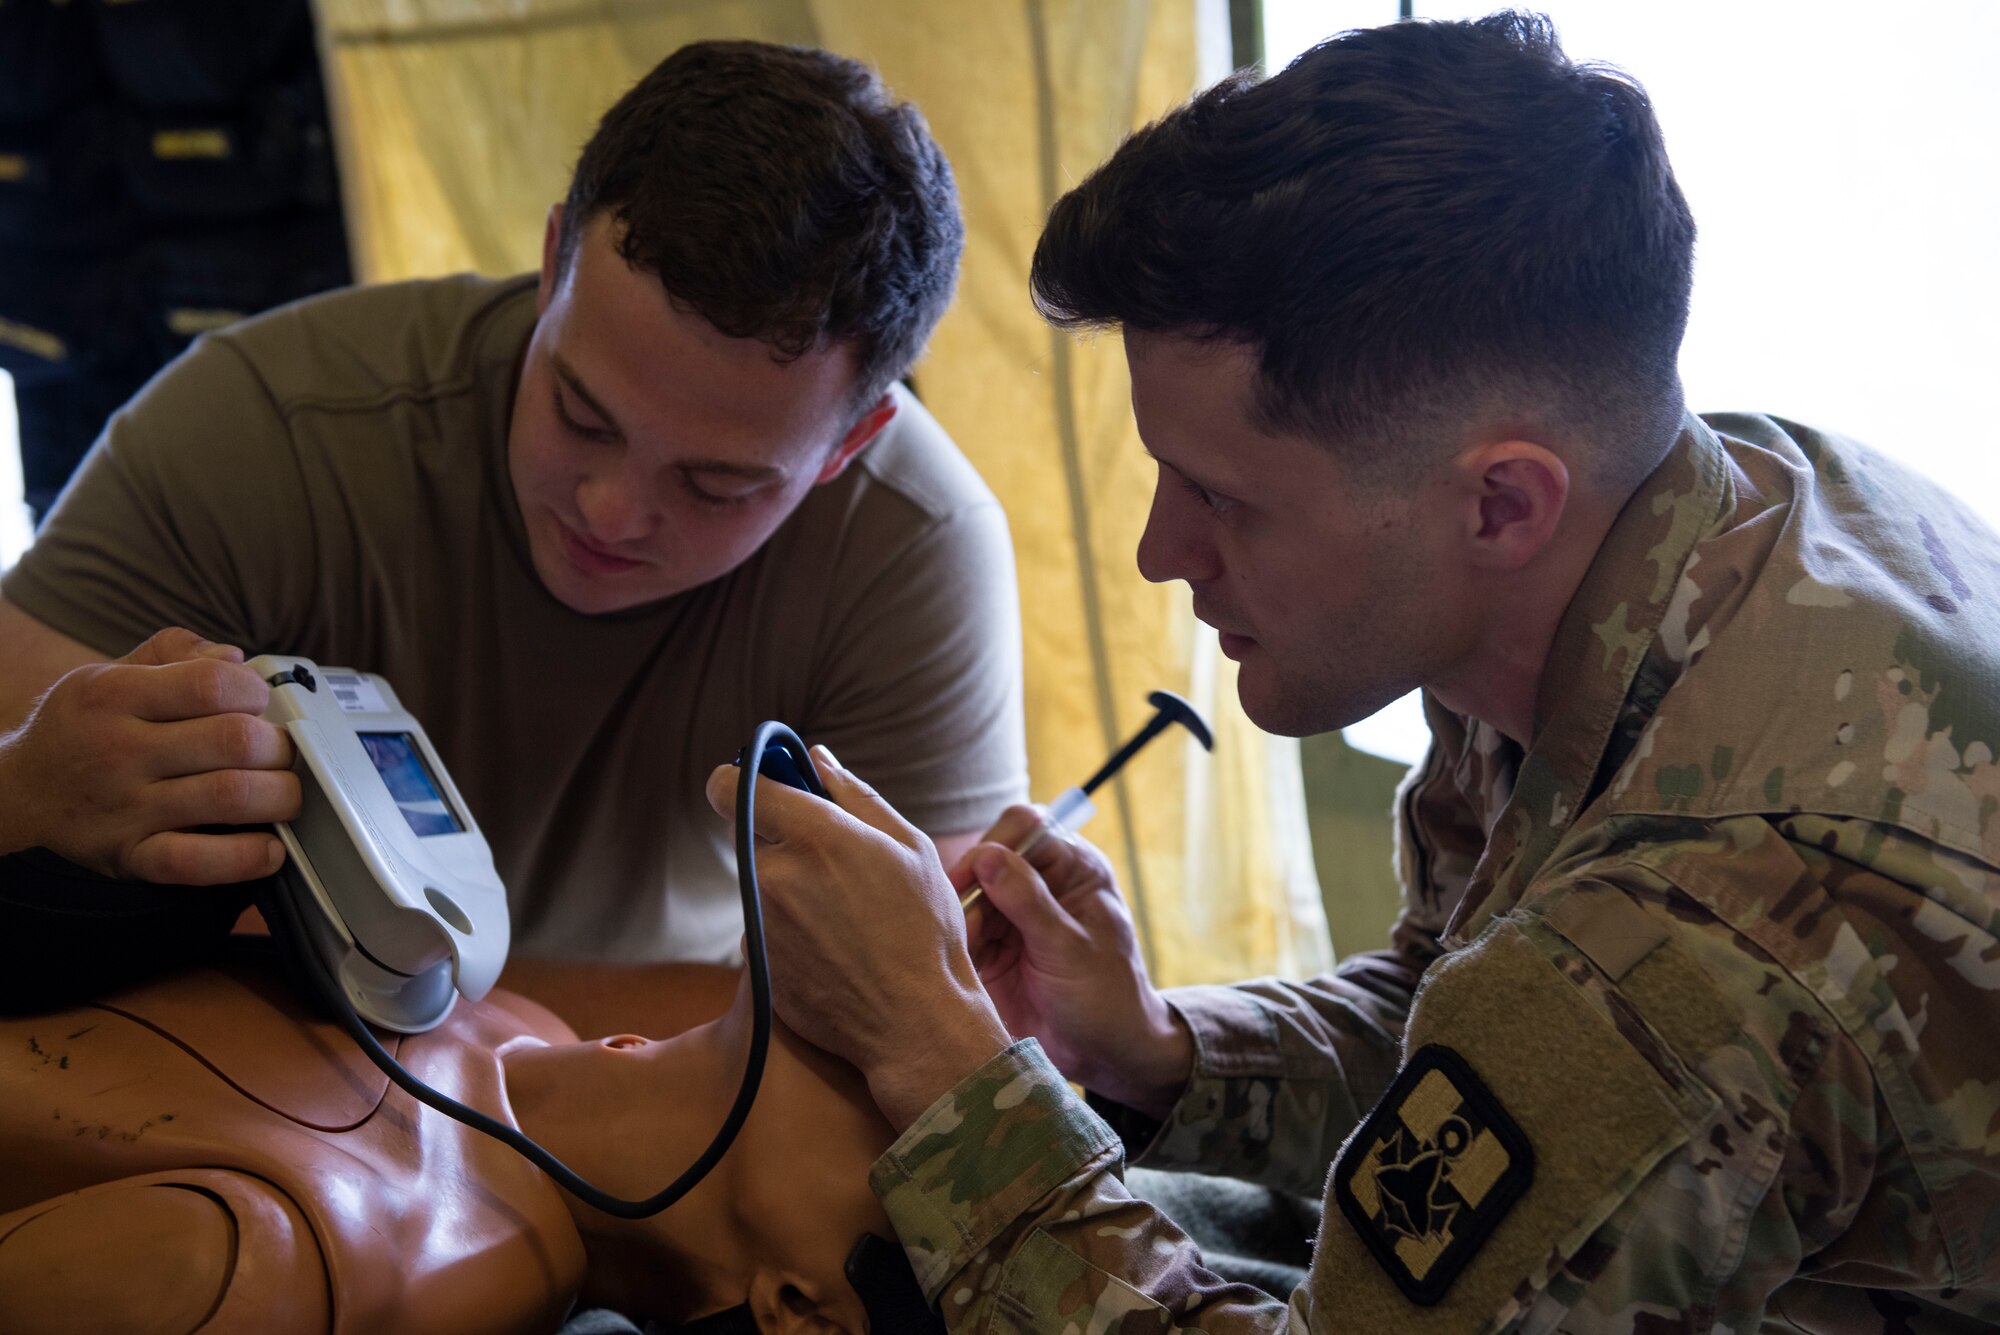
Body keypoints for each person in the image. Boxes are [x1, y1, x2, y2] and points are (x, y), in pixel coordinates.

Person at [704, 12, 2000, 1333]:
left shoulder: (1705, 928)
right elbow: (1473, 1020)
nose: (1161, 549)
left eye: (1221, 495)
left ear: (1502, 502)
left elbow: (1585, 1015)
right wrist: (1156, 1044)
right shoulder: (1682, 520)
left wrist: (936, 1055)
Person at [0, 41, 1027, 1027]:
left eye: (716, 482)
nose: (610, 512)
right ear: (551, 262)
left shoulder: (913, 549)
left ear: (851, 443)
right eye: (580, 413)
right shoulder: (264, 424)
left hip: (633, 1094)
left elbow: (907, 1009)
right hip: (262, 1077)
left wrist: (431, 1013)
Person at [0, 946, 920, 1335]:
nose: (943, 1078)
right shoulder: (519, 1020)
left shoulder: (318, 1261)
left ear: (802, 1311)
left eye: (931, 1134)